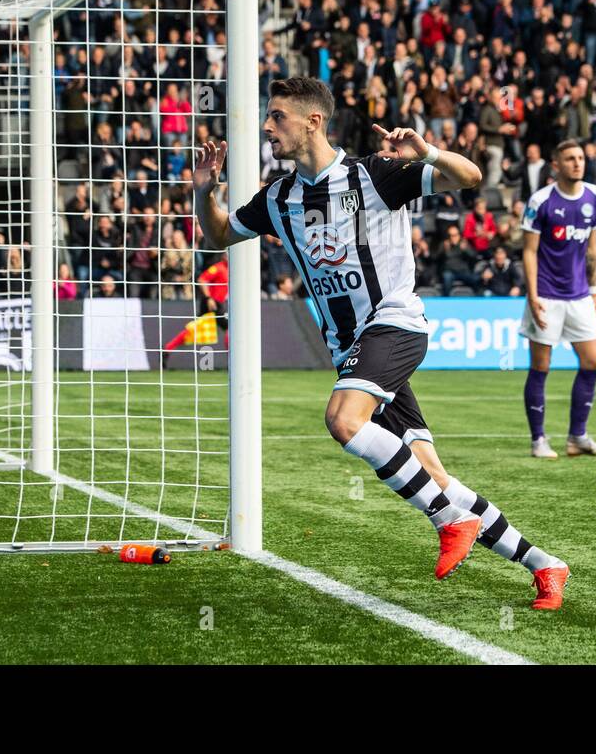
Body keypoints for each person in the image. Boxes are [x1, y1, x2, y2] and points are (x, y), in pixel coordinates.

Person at [194, 76, 569, 609]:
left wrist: (429, 152)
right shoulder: (279, 198)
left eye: (277, 116)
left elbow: (470, 177)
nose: (268, 126)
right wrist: (207, 188)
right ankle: (545, 564)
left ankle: (448, 521)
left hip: (394, 322)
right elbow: (219, 236)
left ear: (313, 121)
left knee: (344, 420)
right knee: (434, 474)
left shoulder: (374, 173)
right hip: (351, 349)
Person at [519, 140, 596, 460]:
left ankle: (578, 437)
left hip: (580, 296)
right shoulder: (540, 201)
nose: (577, 163)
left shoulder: (595, 197)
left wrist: (595, 290)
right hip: (546, 293)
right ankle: (538, 440)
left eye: (581, 158)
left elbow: (593, 247)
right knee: (541, 366)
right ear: (556, 165)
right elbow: (530, 252)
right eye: (570, 159)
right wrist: (532, 296)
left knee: (593, 363)